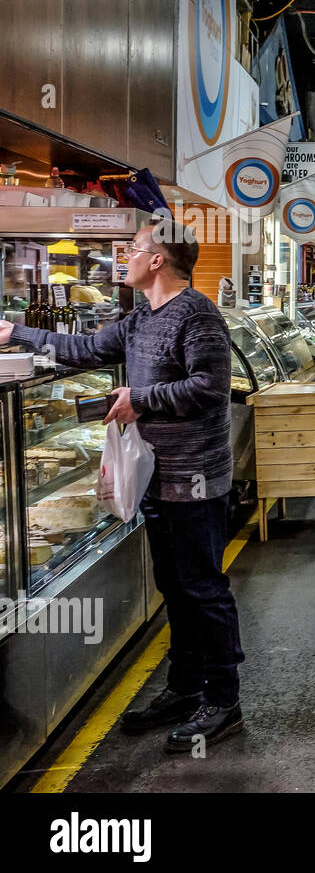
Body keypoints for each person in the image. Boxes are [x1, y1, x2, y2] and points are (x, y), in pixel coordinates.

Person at [0, 218, 244, 751]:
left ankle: (224, 698)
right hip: (155, 476)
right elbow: (86, 349)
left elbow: (210, 386)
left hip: (195, 478)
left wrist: (142, 399)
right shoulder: (138, 318)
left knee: (203, 588)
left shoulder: (196, 313)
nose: (122, 256)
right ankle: (184, 686)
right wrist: (14, 333)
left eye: (132, 248)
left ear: (158, 260)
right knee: (175, 587)